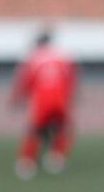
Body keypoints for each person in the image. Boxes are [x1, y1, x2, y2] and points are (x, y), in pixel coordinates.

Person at [10, 28, 76, 179]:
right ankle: (57, 158)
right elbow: (70, 79)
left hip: (42, 102)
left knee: (34, 130)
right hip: (60, 100)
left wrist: (18, 99)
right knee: (62, 128)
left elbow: (26, 81)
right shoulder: (62, 57)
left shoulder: (33, 58)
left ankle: (26, 162)